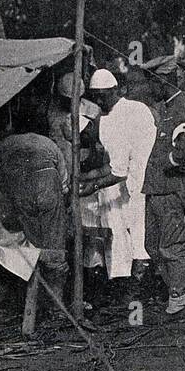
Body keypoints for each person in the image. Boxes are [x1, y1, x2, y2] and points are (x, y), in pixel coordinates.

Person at [80, 69, 155, 286]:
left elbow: (118, 171)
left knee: (137, 234)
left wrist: (91, 185)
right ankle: (136, 283)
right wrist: (87, 177)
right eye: (96, 96)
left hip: (140, 180)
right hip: (138, 180)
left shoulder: (123, 115)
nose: (100, 99)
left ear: (115, 90)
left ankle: (135, 287)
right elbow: (114, 165)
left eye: (104, 94)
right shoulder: (121, 112)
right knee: (135, 232)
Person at [0, 106, 70, 325]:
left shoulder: (5, 146)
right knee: (55, 248)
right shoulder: (48, 144)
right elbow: (64, 181)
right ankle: (56, 307)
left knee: (34, 247)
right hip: (48, 188)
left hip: (20, 193)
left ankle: (33, 300)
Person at [140, 50, 185, 316]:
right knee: (152, 244)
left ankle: (178, 294)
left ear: (164, 81)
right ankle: (173, 288)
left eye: (151, 82)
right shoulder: (167, 109)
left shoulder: (181, 109)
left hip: (170, 189)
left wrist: (167, 163)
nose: (149, 88)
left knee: (170, 245)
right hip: (157, 189)